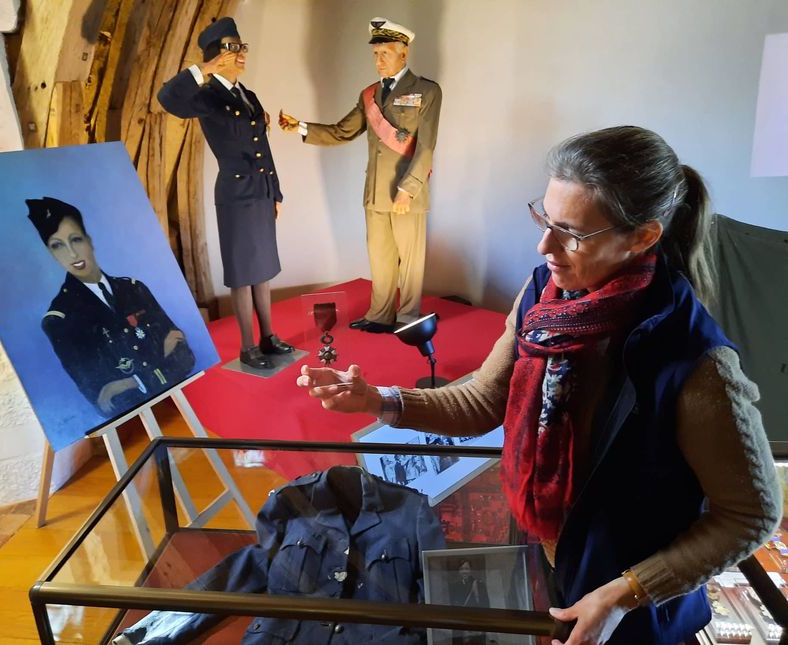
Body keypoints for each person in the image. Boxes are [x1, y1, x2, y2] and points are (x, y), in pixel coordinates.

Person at [296, 126, 782, 644]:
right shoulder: (544, 298)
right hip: (551, 556)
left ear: (643, 237)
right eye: (544, 218)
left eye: (572, 232)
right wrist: (379, 400)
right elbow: (484, 399)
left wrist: (625, 592)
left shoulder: (695, 361)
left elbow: (751, 514)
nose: (544, 244)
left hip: (627, 604)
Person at [279, 17, 442, 333]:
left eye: (386, 53)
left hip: (408, 192)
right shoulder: (369, 94)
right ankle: (380, 315)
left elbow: (426, 146)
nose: (379, 60)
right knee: (380, 259)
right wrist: (300, 127)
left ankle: (407, 317)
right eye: (375, 53)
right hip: (375, 192)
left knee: (409, 262)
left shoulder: (426, 90)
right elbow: (342, 132)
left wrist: (407, 188)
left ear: (403, 53)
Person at [157, 17, 293, 370]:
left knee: (262, 268)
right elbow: (168, 99)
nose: (242, 54)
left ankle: (268, 336)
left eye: (242, 46)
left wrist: (275, 190)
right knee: (242, 271)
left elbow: (263, 146)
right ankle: (248, 347)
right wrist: (201, 70)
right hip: (235, 193)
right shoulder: (207, 96)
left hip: (260, 192)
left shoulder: (247, 95)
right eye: (234, 48)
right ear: (217, 55)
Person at [28, 197, 196, 416]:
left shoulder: (134, 289)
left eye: (76, 240)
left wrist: (130, 382)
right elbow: (108, 402)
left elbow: (186, 358)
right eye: (58, 245)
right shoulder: (60, 320)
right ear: (51, 254)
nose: (72, 254)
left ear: (89, 241)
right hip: (133, 427)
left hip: (175, 408)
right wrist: (161, 359)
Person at [449, 558, 489, 645]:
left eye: (466, 568)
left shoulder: (479, 585)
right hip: (460, 625)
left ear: (471, 570)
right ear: (459, 571)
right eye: (461, 569)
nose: (464, 571)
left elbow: (486, 606)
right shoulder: (454, 587)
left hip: (476, 623)